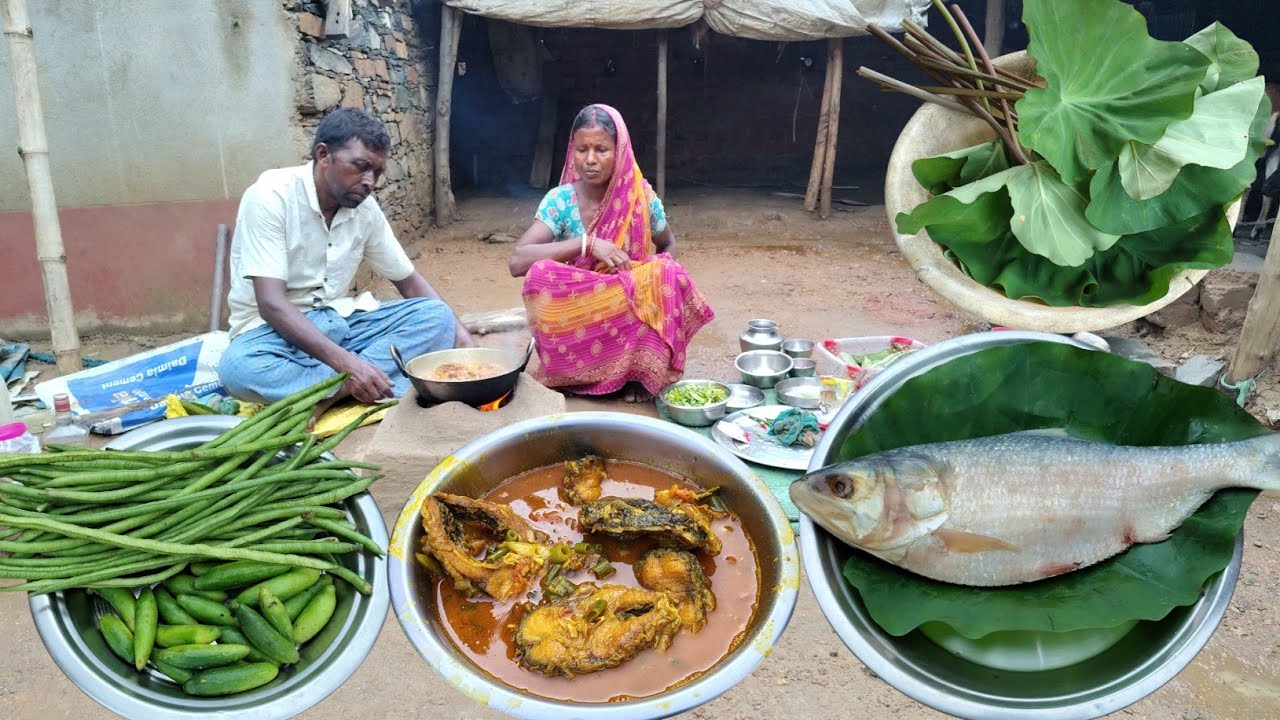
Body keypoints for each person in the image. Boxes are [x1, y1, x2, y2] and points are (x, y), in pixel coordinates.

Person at [219, 108, 473, 411]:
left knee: (436, 316)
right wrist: (348, 365)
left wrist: (463, 337)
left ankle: (328, 395)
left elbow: (408, 281)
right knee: (237, 369)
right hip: (270, 336)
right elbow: (271, 304)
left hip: (339, 323)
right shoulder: (271, 196)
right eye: (361, 167)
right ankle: (361, 383)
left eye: (377, 172)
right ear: (323, 155)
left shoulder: (365, 210)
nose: (370, 182)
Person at [508, 104, 714, 403]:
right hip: (577, 310)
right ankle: (570, 373)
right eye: (582, 149)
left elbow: (668, 244)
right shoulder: (561, 200)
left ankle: (639, 372)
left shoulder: (641, 197)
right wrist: (587, 244)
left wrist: (652, 279)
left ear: (620, 152)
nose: (590, 159)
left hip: (625, 303)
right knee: (540, 274)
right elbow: (517, 261)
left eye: (601, 150)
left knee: (666, 272)